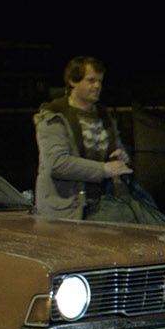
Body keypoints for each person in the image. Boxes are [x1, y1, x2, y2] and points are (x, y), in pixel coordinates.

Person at [34, 56, 132, 219]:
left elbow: (117, 153)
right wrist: (104, 169)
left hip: (103, 204)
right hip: (66, 211)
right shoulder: (55, 116)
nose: (97, 86)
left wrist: (122, 158)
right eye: (91, 80)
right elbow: (57, 163)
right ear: (73, 81)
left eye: (100, 81)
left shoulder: (104, 116)